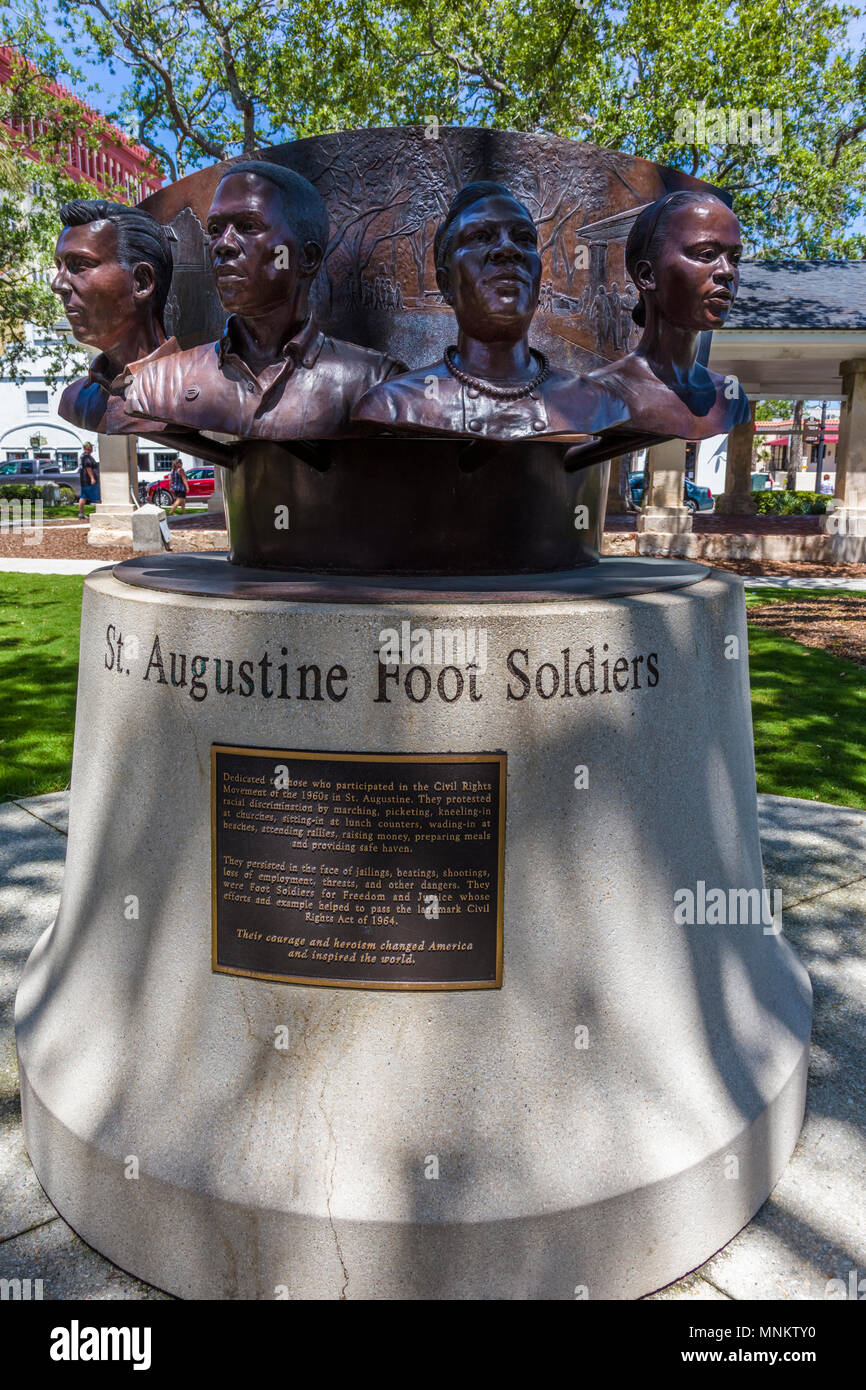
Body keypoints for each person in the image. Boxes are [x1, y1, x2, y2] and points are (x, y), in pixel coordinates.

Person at [123, 161, 406, 440]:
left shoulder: (376, 382)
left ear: (307, 258)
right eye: (215, 230)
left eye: (248, 226)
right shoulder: (159, 383)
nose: (223, 244)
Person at [352, 181, 630, 440]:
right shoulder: (393, 406)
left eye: (523, 238)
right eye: (481, 236)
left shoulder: (600, 405)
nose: (508, 249)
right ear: (446, 284)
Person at [589, 190, 751, 439]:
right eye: (707, 255)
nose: (727, 271)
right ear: (647, 275)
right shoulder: (598, 394)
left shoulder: (731, 399)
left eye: (735, 259)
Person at [51, 201, 180, 433]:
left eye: (79, 266)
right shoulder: (76, 400)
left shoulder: (202, 389)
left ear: (141, 282)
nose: (57, 284)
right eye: (59, 266)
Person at [78, 442, 99, 517]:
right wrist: (92, 478)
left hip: (84, 481)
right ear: (88, 447)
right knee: (97, 496)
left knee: (83, 496)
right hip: (88, 481)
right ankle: (102, 512)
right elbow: (88, 467)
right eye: (91, 446)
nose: (92, 448)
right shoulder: (86, 456)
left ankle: (81, 514)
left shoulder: (83, 456)